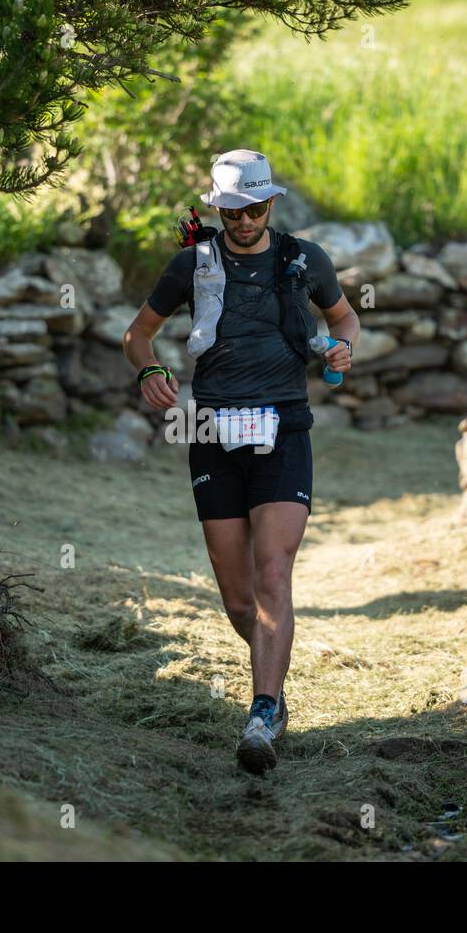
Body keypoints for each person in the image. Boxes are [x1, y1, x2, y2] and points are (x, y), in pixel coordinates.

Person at [122, 149, 359, 774]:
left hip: (284, 427)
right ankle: (272, 679)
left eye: (256, 207)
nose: (245, 219)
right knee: (238, 599)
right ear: (218, 208)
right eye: (233, 210)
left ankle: (262, 709)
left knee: (273, 571)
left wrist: (341, 352)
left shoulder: (305, 259)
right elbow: (137, 332)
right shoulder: (190, 264)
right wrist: (149, 368)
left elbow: (344, 318)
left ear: (271, 203)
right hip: (211, 430)